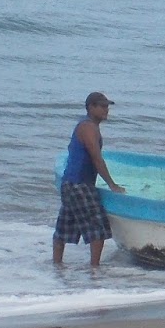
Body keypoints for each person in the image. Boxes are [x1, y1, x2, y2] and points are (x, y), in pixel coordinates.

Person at [53, 91, 126, 266]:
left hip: (69, 183)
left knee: (64, 228)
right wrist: (112, 184)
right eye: (102, 106)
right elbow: (96, 158)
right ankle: (94, 270)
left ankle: (57, 266)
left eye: (107, 106)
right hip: (79, 185)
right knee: (98, 229)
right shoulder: (88, 127)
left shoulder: (87, 126)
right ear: (91, 107)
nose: (106, 110)